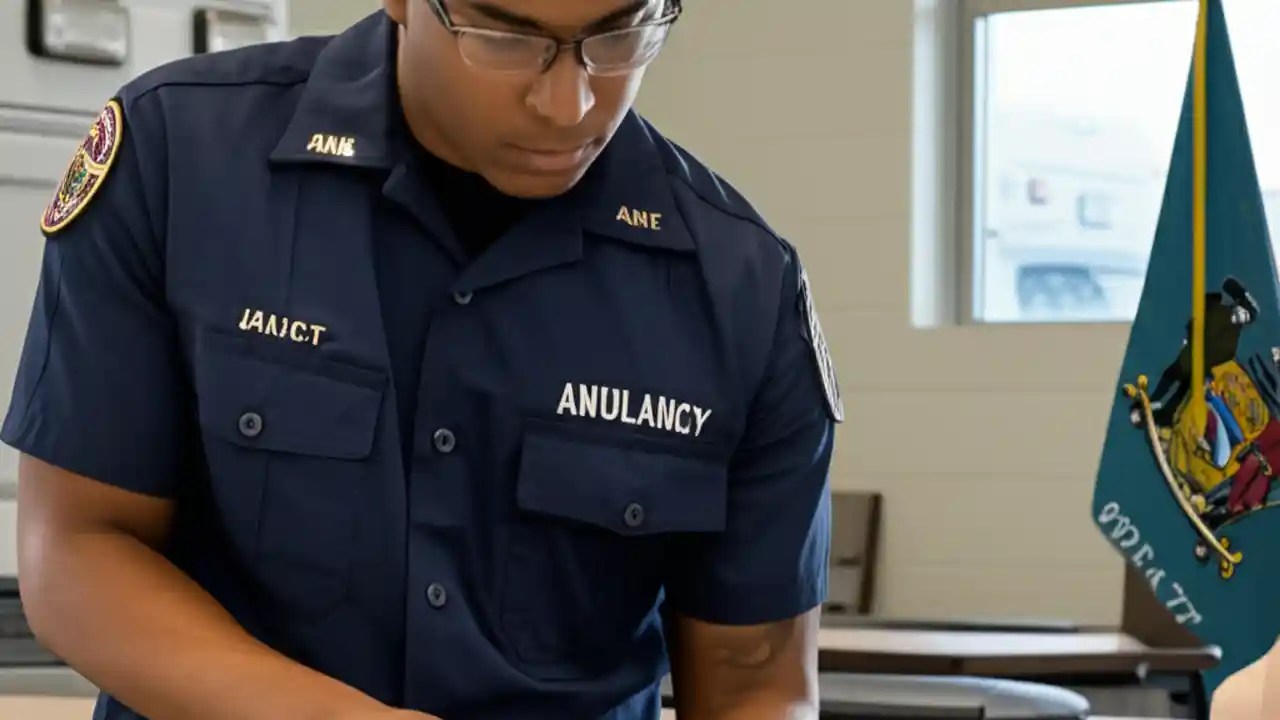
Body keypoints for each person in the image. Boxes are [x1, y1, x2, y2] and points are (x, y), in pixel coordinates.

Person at [2, 1, 840, 719]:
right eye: (505, 39)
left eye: (620, 37)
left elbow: (753, 682)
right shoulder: (177, 160)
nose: (568, 101)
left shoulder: (741, 288)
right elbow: (79, 549)